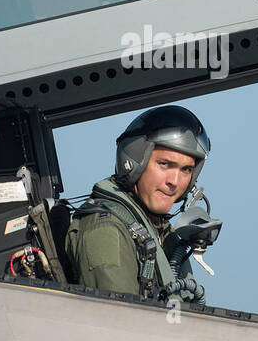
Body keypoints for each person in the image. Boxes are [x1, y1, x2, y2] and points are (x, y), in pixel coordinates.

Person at [64, 105, 210, 301]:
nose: (174, 182)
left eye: (185, 170)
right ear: (133, 162)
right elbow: (120, 320)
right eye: (165, 164)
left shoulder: (163, 234)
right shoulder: (106, 230)